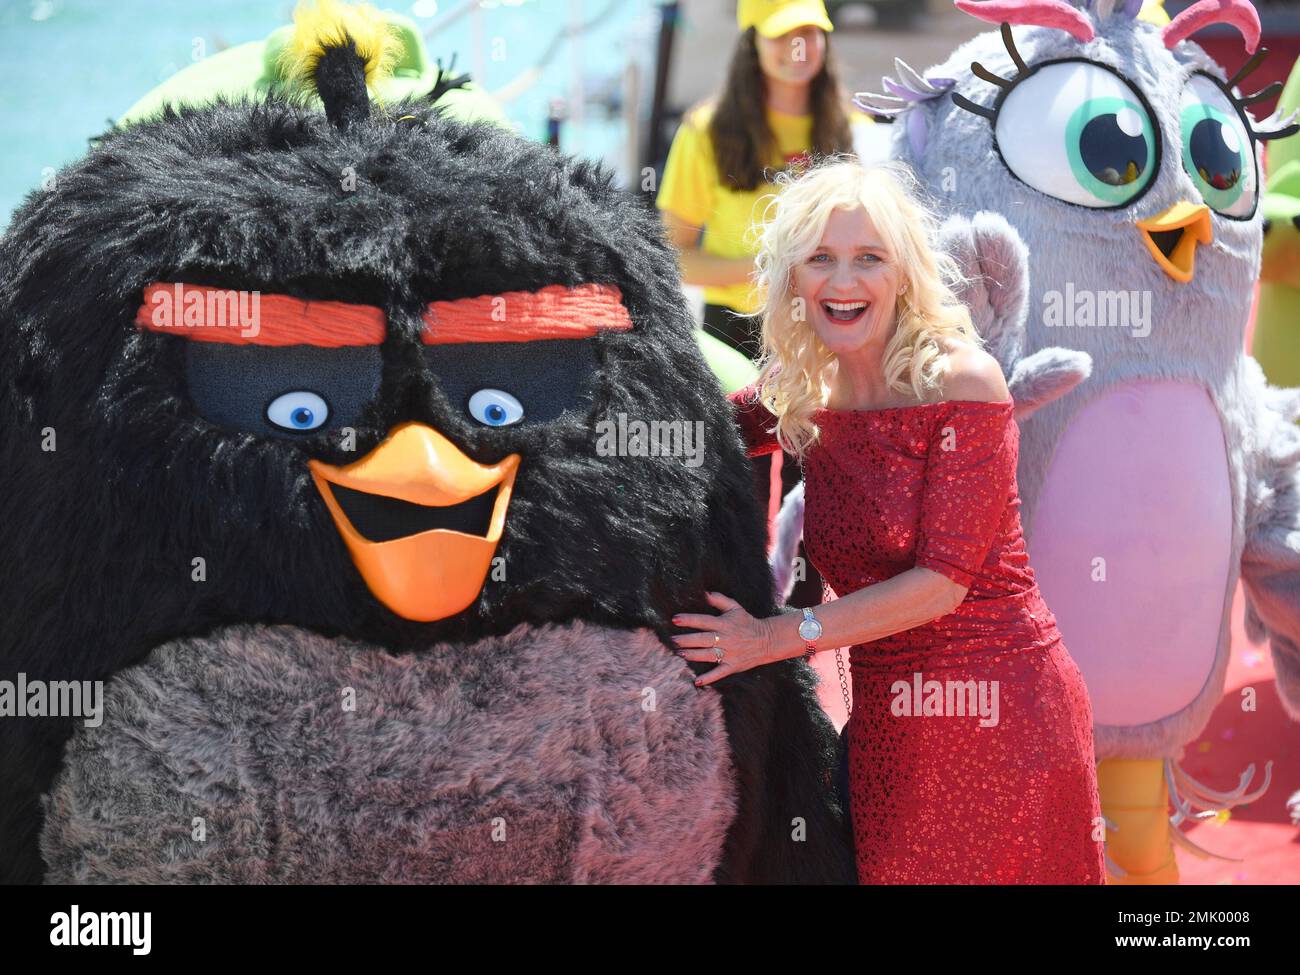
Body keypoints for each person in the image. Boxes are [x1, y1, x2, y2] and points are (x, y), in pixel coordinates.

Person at [670, 159, 1105, 884]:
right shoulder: (802, 387)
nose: (843, 281)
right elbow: (697, 433)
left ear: (903, 273)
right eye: (820, 258)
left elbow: (942, 584)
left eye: (869, 258)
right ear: (791, 279)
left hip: (1005, 712)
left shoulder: (962, 379)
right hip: (888, 730)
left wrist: (770, 638)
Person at [657, 0, 863, 599]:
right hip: (735, 327)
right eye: (782, 34)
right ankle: (742, 604)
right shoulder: (705, 131)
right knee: (740, 477)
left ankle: (810, 615)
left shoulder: (851, 127)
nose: (798, 47)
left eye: (810, 32)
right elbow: (670, 253)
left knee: (821, 473)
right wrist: (772, 272)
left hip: (824, 326)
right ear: (753, 42)